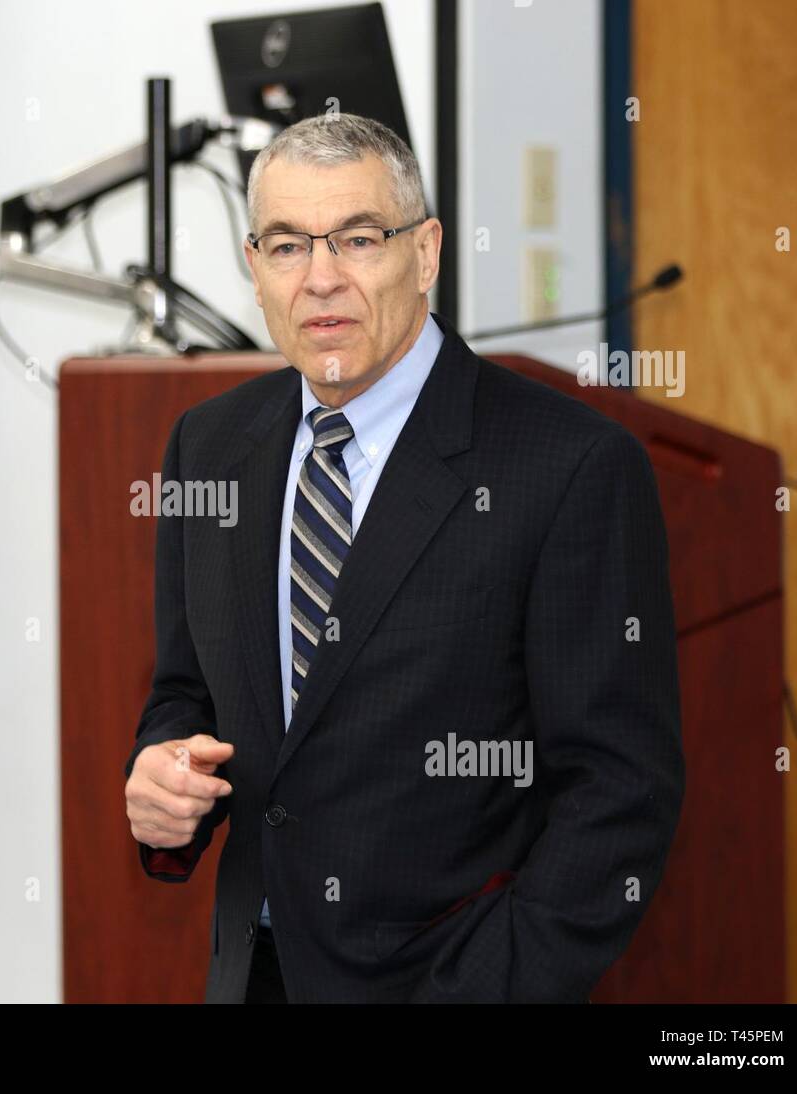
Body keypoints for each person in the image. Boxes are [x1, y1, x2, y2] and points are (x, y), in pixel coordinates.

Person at [123, 114, 684, 1003]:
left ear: (425, 254)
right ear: (254, 265)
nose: (321, 278)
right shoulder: (209, 447)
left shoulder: (569, 466)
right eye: (284, 246)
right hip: (253, 974)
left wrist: (500, 982)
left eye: (358, 238)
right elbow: (184, 692)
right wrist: (160, 783)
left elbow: (619, 790)